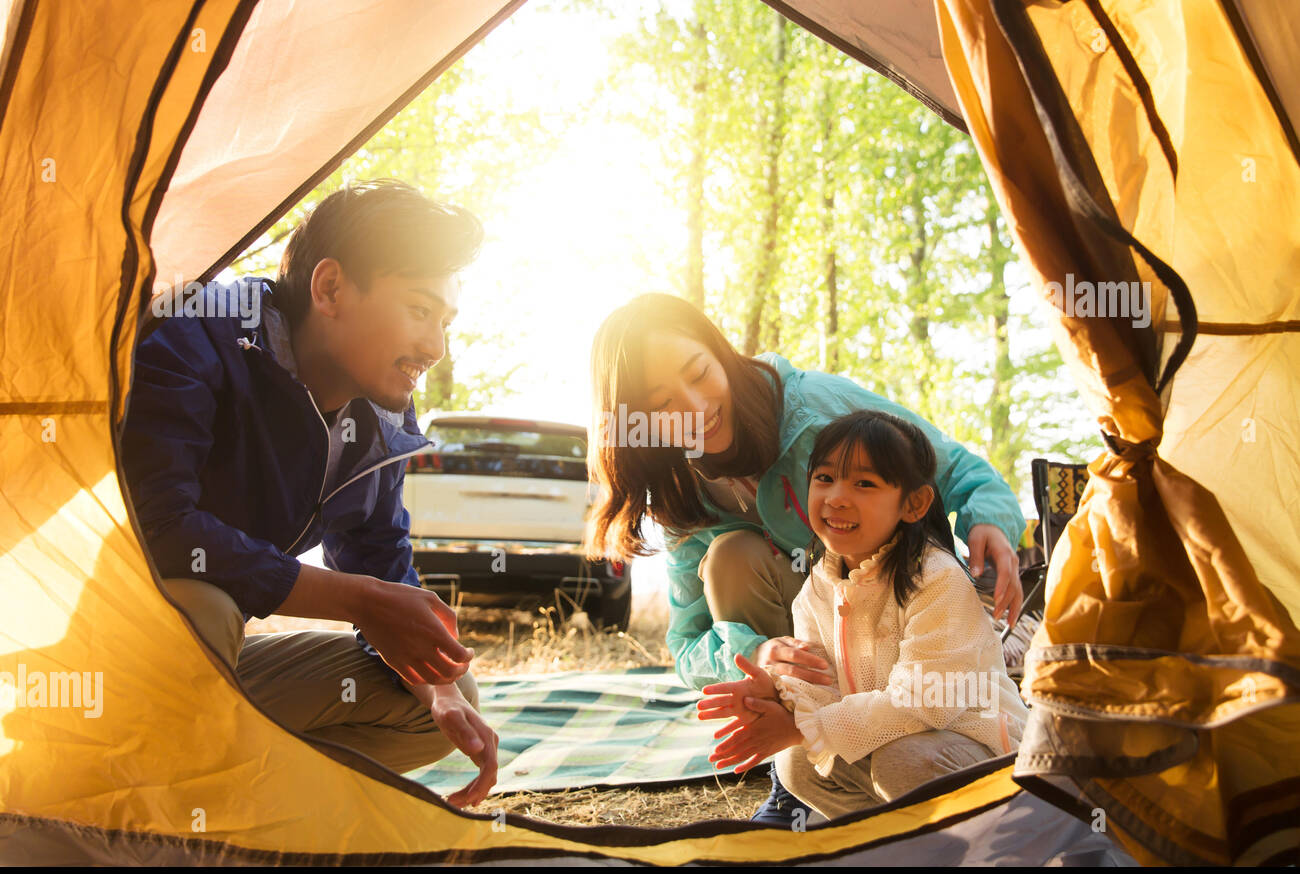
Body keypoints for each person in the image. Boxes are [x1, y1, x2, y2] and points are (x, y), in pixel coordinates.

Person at [121, 179, 498, 806]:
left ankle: (213, 787)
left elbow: (380, 563)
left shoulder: (378, 422)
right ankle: (126, 789)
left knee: (437, 693)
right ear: (329, 289)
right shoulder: (200, 335)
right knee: (201, 606)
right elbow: (157, 527)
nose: (436, 347)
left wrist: (436, 686)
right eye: (419, 310)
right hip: (115, 656)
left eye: (446, 322)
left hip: (205, 681)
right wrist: (357, 601)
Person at [585, 293, 1025, 824]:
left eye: (699, 372)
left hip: (901, 617)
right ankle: (807, 788)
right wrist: (757, 654)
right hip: (828, 631)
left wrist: (988, 520)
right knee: (732, 558)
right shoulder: (681, 495)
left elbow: (947, 463)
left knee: (905, 760)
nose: (696, 408)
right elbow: (686, 642)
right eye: (660, 405)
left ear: (721, 354)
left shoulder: (815, 407)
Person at [697, 410, 1029, 819]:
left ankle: (976, 839)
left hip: (980, 751)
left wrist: (806, 727)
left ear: (914, 503)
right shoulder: (818, 585)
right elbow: (822, 688)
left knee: (900, 762)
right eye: (824, 478)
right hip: (892, 745)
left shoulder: (938, 578)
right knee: (797, 764)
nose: (836, 497)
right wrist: (779, 696)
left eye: (864, 483)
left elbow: (925, 701)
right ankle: (894, 842)